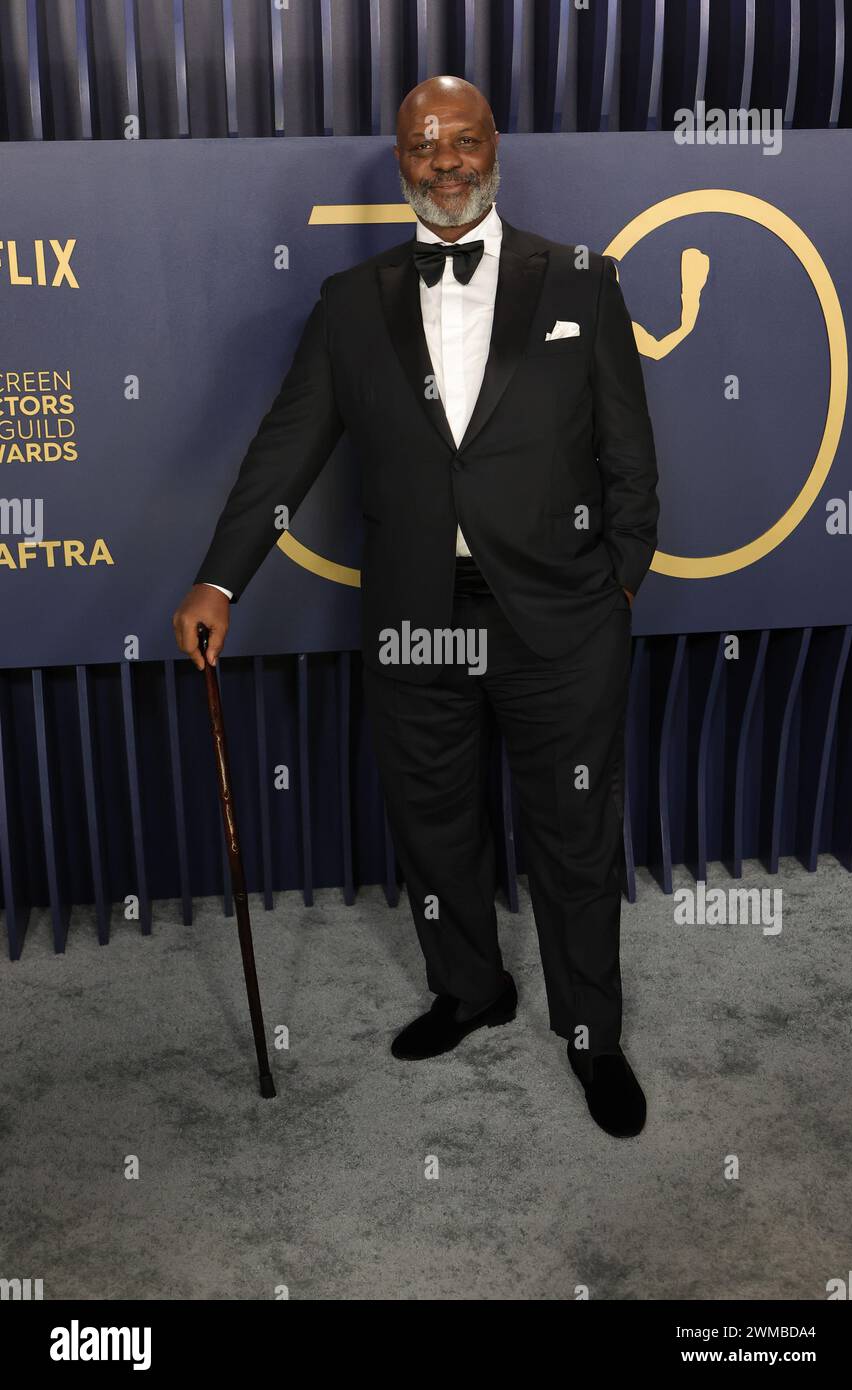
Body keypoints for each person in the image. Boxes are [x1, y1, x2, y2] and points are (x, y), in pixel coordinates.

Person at [173, 76, 659, 1138]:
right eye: (422, 146)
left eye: (463, 141)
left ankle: (592, 1034)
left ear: (496, 148)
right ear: (400, 160)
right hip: (413, 620)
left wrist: (618, 577)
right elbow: (283, 452)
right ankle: (469, 987)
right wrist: (221, 578)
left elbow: (628, 452)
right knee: (434, 827)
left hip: (560, 617)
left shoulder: (582, 281)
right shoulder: (351, 305)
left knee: (573, 834)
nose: (444, 162)